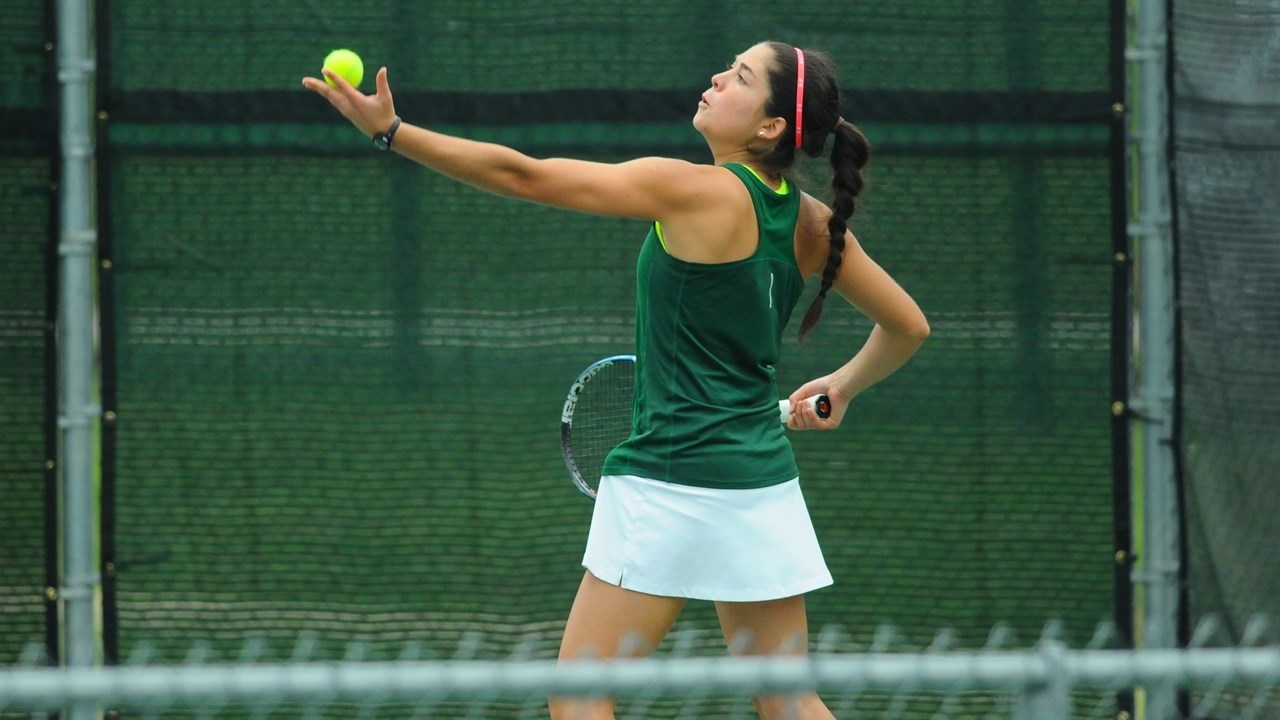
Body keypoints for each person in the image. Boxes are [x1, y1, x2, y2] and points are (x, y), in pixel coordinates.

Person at [304, 39, 928, 720]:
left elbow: (526, 177)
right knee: (786, 699)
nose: (717, 78)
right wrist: (841, 386)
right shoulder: (812, 224)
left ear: (770, 127)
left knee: (579, 698)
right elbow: (908, 326)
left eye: (740, 77)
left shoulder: (692, 189)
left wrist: (391, 133)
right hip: (761, 484)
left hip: (669, 476)